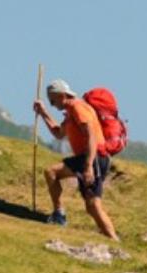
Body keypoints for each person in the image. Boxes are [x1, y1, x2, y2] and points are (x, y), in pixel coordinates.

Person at [33, 79, 118, 239]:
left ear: (62, 95)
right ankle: (59, 214)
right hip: (85, 157)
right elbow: (59, 133)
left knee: (93, 205)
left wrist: (88, 166)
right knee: (51, 172)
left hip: (94, 157)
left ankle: (113, 239)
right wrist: (43, 113)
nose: (51, 104)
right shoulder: (71, 112)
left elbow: (91, 135)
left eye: (52, 100)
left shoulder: (78, 108)